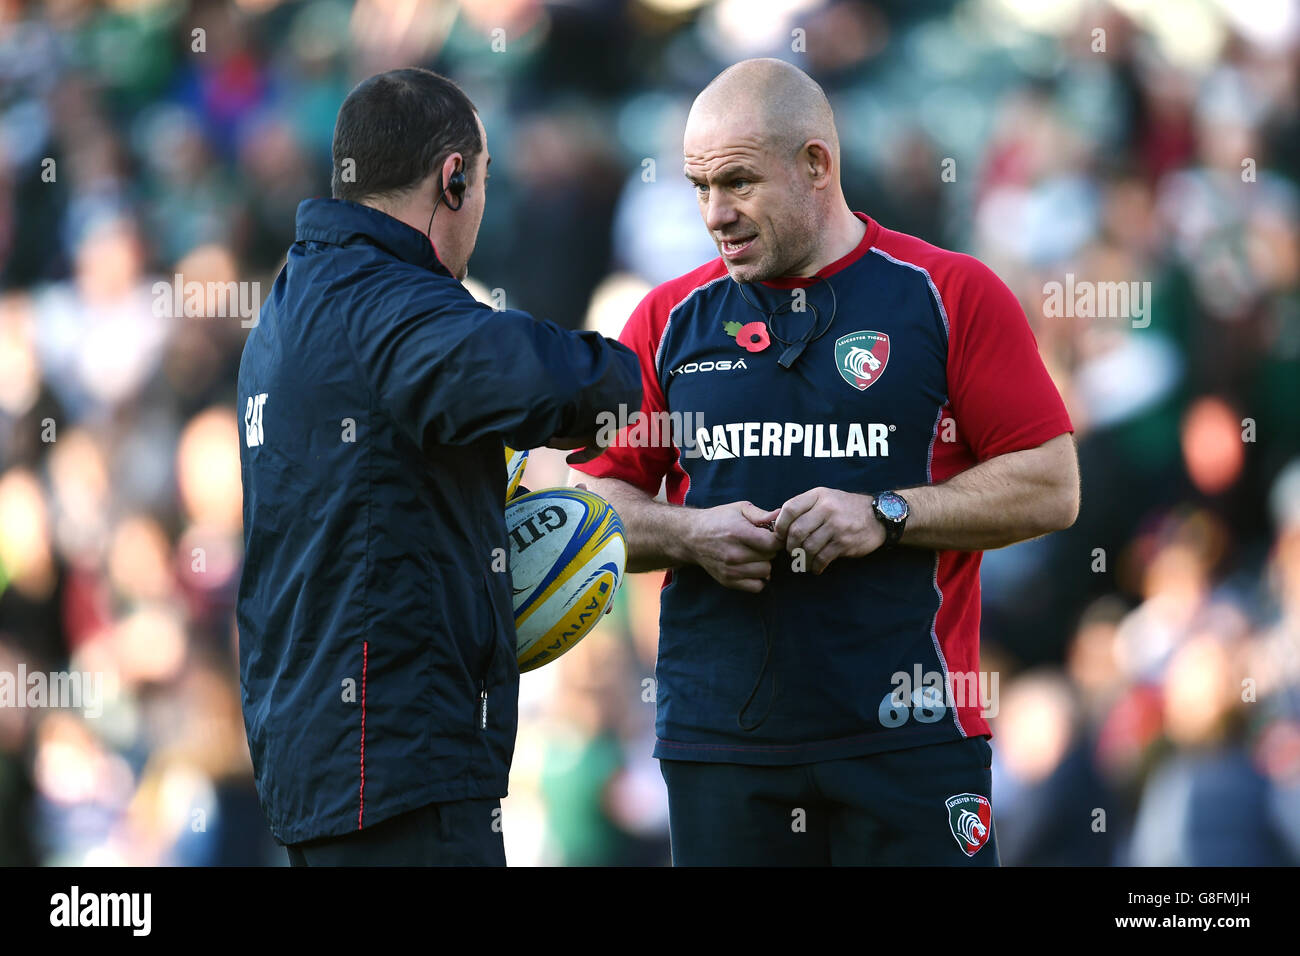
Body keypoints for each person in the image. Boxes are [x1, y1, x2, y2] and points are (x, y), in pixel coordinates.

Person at [572, 58, 1080, 866]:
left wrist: (887, 514)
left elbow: (1053, 486)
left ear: (816, 164)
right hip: (721, 743)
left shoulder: (951, 294)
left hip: (910, 740)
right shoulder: (667, 320)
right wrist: (690, 532)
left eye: (737, 182)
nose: (715, 213)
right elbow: (588, 512)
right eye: (699, 186)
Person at [236, 68, 642, 866]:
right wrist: (651, 369)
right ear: (453, 178)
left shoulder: (288, 304)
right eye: (483, 182)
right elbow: (571, 381)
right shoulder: (389, 301)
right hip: (400, 767)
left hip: (320, 763)